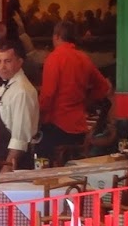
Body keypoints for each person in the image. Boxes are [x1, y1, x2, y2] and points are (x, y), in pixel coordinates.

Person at [37, 19, 113, 162]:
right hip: (79, 126)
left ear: (56, 36)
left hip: (56, 125)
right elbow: (104, 87)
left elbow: (48, 95)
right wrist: (86, 102)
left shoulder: (54, 58)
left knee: (42, 164)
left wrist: (37, 117)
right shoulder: (84, 58)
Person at [0, 38, 38, 173]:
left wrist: (6, 169)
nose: (2, 67)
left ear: (20, 62)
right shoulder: (4, 85)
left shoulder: (22, 91)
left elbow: (20, 138)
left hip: (14, 164)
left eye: (8, 61)